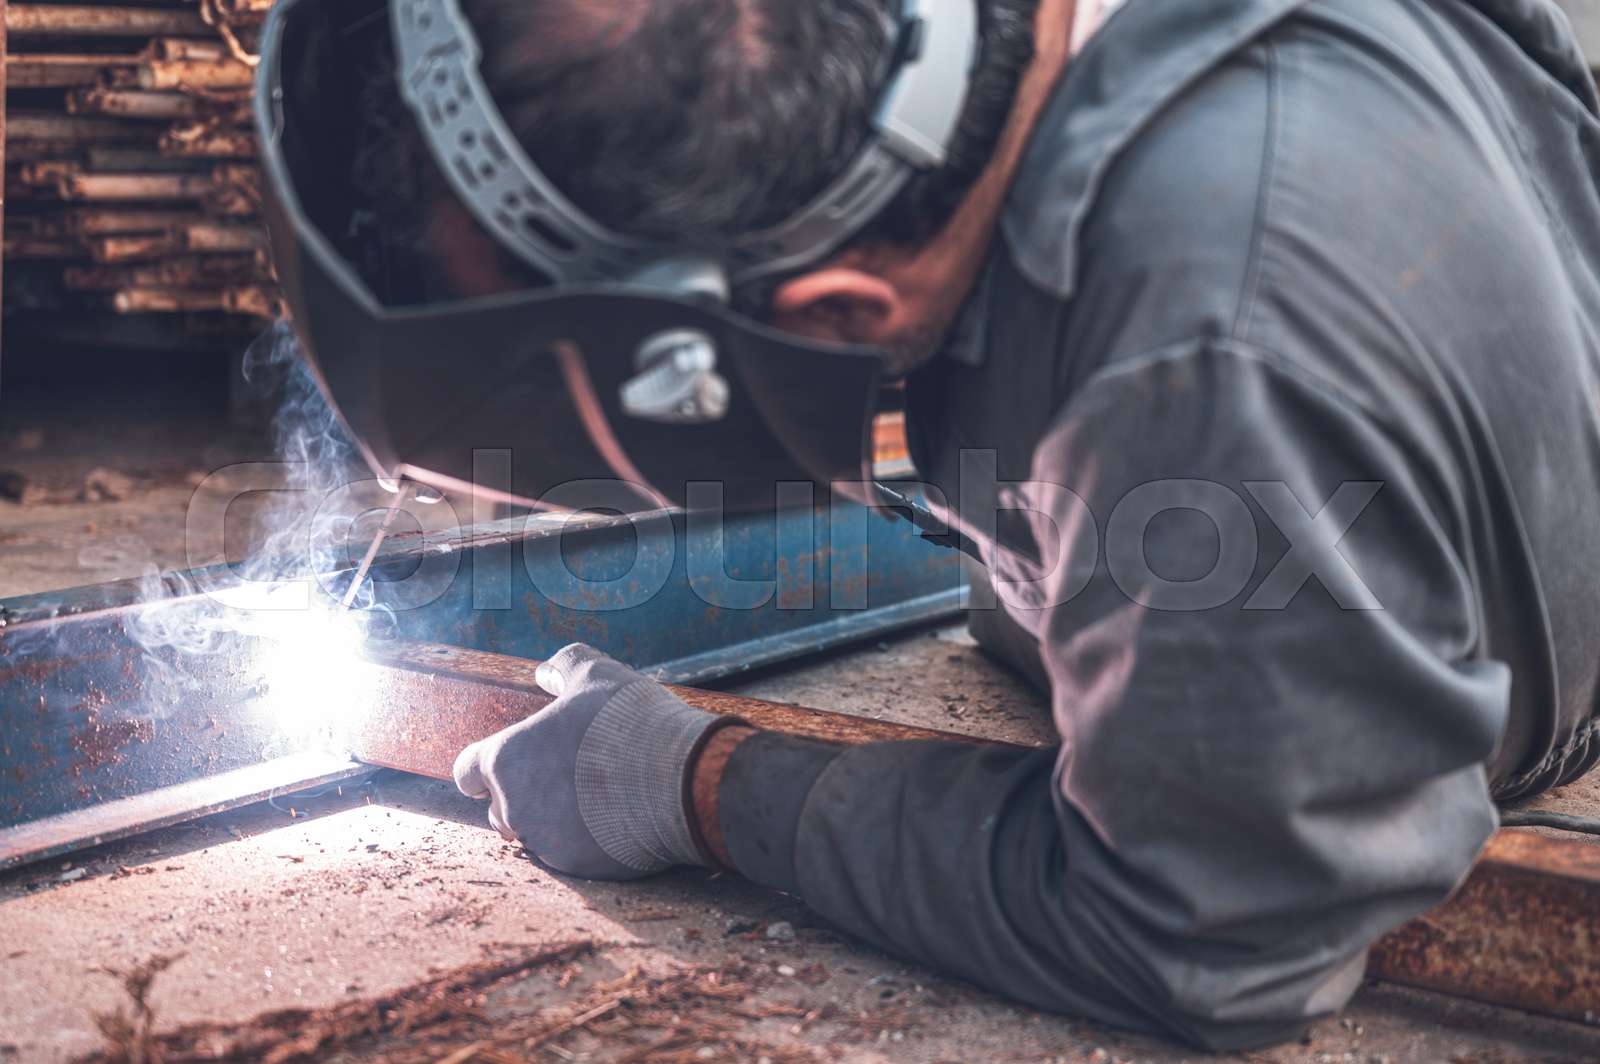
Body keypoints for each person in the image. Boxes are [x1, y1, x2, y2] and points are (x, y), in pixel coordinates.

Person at [363, 0, 1600, 1049]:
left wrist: (691, 781)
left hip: (1520, 671)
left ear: (839, 307)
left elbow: (1224, 931)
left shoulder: (1194, 370)